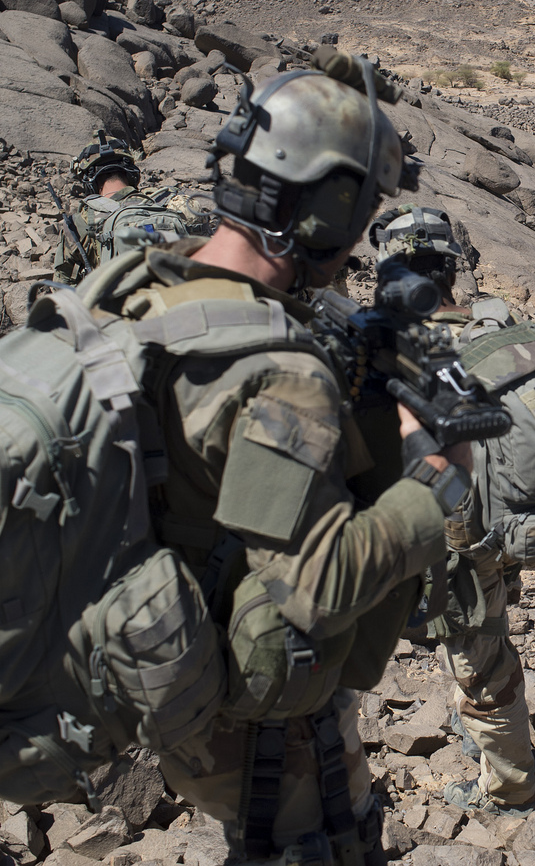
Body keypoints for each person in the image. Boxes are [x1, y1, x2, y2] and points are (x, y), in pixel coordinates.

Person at [127, 68, 468, 864]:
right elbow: (316, 586)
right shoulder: (278, 370)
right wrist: (440, 477)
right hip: (259, 726)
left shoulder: (149, 288)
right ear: (326, 207)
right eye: (360, 213)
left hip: (162, 663)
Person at [372, 203, 535, 816]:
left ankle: (511, 786)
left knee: (478, 658)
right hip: (505, 514)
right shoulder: (489, 323)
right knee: (486, 634)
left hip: (456, 533)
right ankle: (493, 728)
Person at [52, 130, 215, 282]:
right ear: (131, 172)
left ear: (90, 182)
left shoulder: (81, 221)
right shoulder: (171, 203)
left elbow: (63, 282)